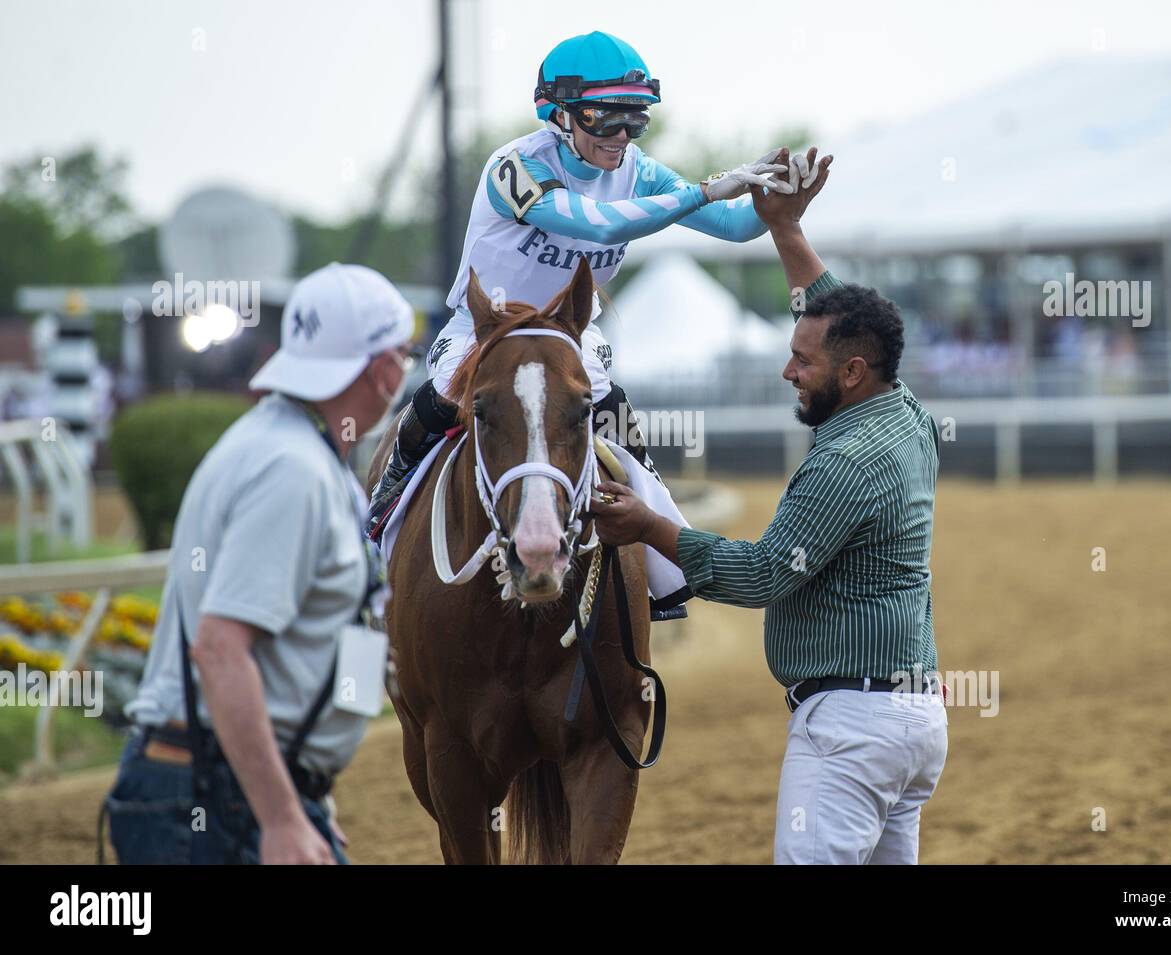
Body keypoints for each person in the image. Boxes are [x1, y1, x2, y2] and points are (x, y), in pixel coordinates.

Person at [590, 153, 950, 865]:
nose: (788, 369)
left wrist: (650, 526)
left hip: (849, 730)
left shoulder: (845, 463)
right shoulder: (904, 410)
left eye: (802, 362)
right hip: (913, 721)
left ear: (851, 372)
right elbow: (829, 306)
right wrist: (785, 228)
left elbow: (758, 576)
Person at [365, 30, 808, 580]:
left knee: (620, 425)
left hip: (570, 337)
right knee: (438, 397)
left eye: (636, 119)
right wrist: (702, 190)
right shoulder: (515, 167)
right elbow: (593, 226)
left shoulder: (637, 169)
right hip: (486, 330)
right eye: (605, 119)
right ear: (559, 114)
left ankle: (667, 572)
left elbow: (733, 227)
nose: (622, 136)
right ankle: (383, 509)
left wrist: (780, 205)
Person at [102, 263, 414, 865]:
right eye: (404, 352)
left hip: (238, 790)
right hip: (214, 802)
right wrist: (282, 816)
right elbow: (220, 649)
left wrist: (311, 792)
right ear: (381, 372)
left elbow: (347, 629)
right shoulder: (292, 471)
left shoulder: (299, 453)